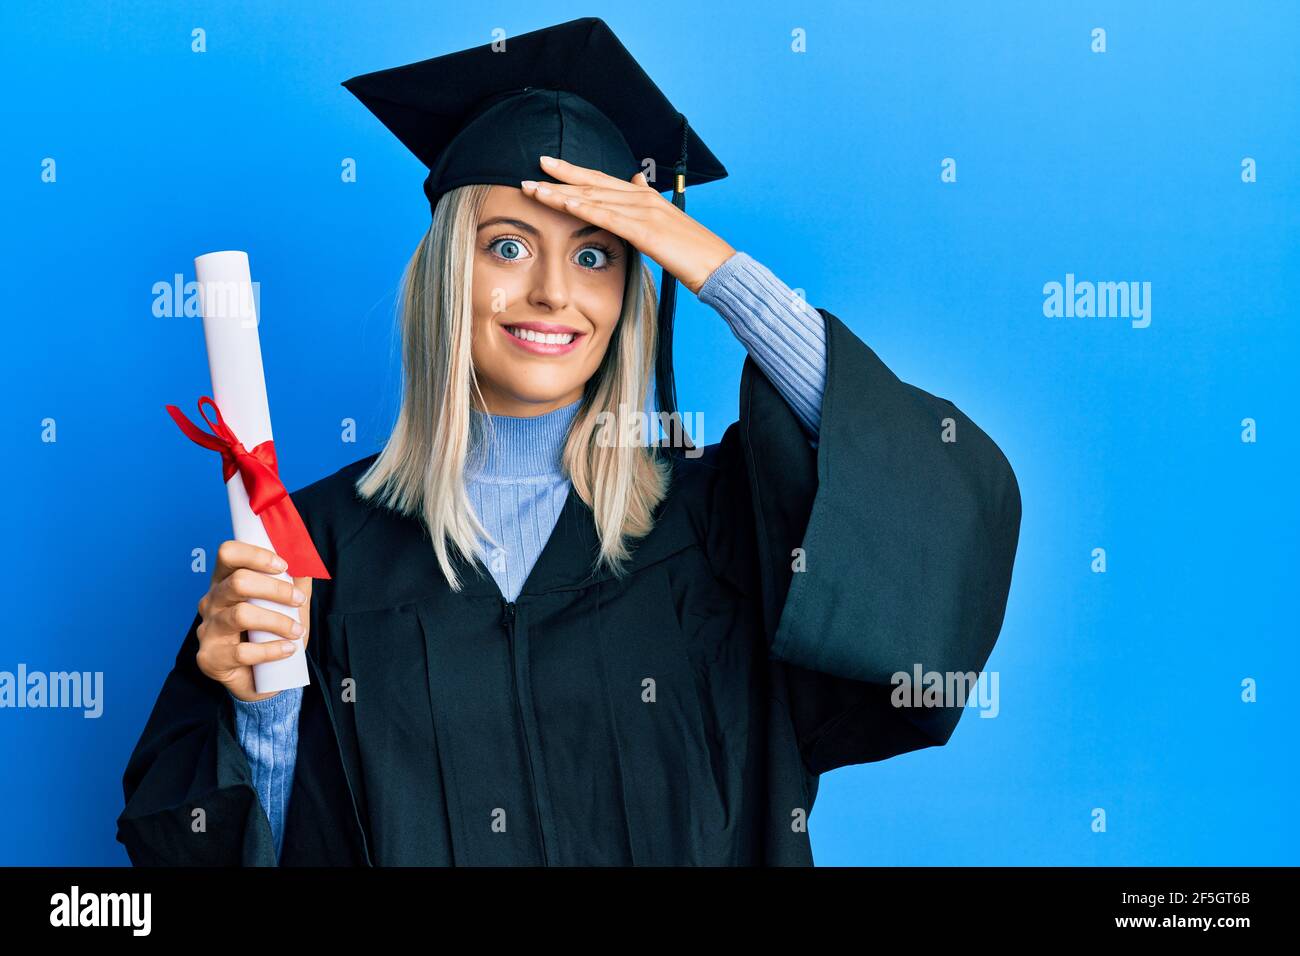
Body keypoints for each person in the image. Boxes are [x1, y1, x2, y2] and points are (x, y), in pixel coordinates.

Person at [117, 17, 1022, 866]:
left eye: (598, 254)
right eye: (508, 247)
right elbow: (219, 851)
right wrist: (265, 714)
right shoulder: (314, 548)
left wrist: (717, 269)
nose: (555, 291)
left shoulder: (718, 517)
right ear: (444, 276)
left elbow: (926, 506)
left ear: (634, 287)